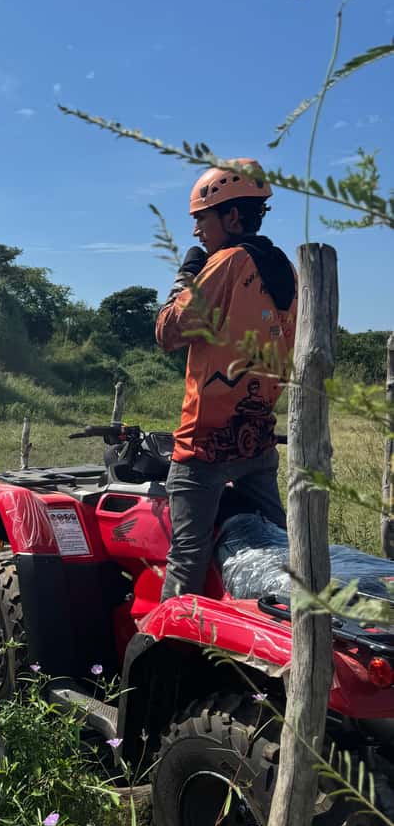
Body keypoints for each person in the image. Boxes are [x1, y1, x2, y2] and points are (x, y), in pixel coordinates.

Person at [155, 159, 298, 601]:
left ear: (233, 217)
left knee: (187, 557)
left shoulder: (228, 262)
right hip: (257, 443)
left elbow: (168, 331)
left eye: (202, 219)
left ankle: (167, 658)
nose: (197, 232)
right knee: (277, 548)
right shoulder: (286, 269)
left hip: (204, 447)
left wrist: (186, 274)